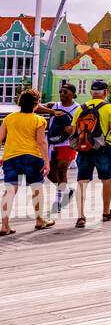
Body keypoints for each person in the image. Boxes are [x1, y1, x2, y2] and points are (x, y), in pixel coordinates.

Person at [71, 79, 111, 229]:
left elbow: (75, 131)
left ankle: (81, 216)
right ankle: (106, 212)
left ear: (91, 93)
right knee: (106, 180)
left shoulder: (80, 108)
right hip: (102, 148)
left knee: (82, 182)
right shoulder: (109, 108)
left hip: (84, 147)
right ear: (105, 92)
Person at [1, 89, 53, 235]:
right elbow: (42, 142)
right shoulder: (38, 120)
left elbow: (0, 138)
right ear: (36, 104)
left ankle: (4, 226)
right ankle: (39, 220)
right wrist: (47, 162)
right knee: (36, 189)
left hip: (11, 158)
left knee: (10, 191)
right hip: (32, 157)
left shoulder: (9, 119)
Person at [36, 83, 79, 214]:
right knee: (48, 172)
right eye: (60, 91)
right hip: (52, 141)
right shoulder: (54, 105)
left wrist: (73, 129)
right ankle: (66, 190)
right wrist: (52, 112)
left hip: (68, 142)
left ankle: (58, 202)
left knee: (61, 169)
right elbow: (36, 107)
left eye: (65, 92)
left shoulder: (78, 109)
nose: (62, 94)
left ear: (73, 94)